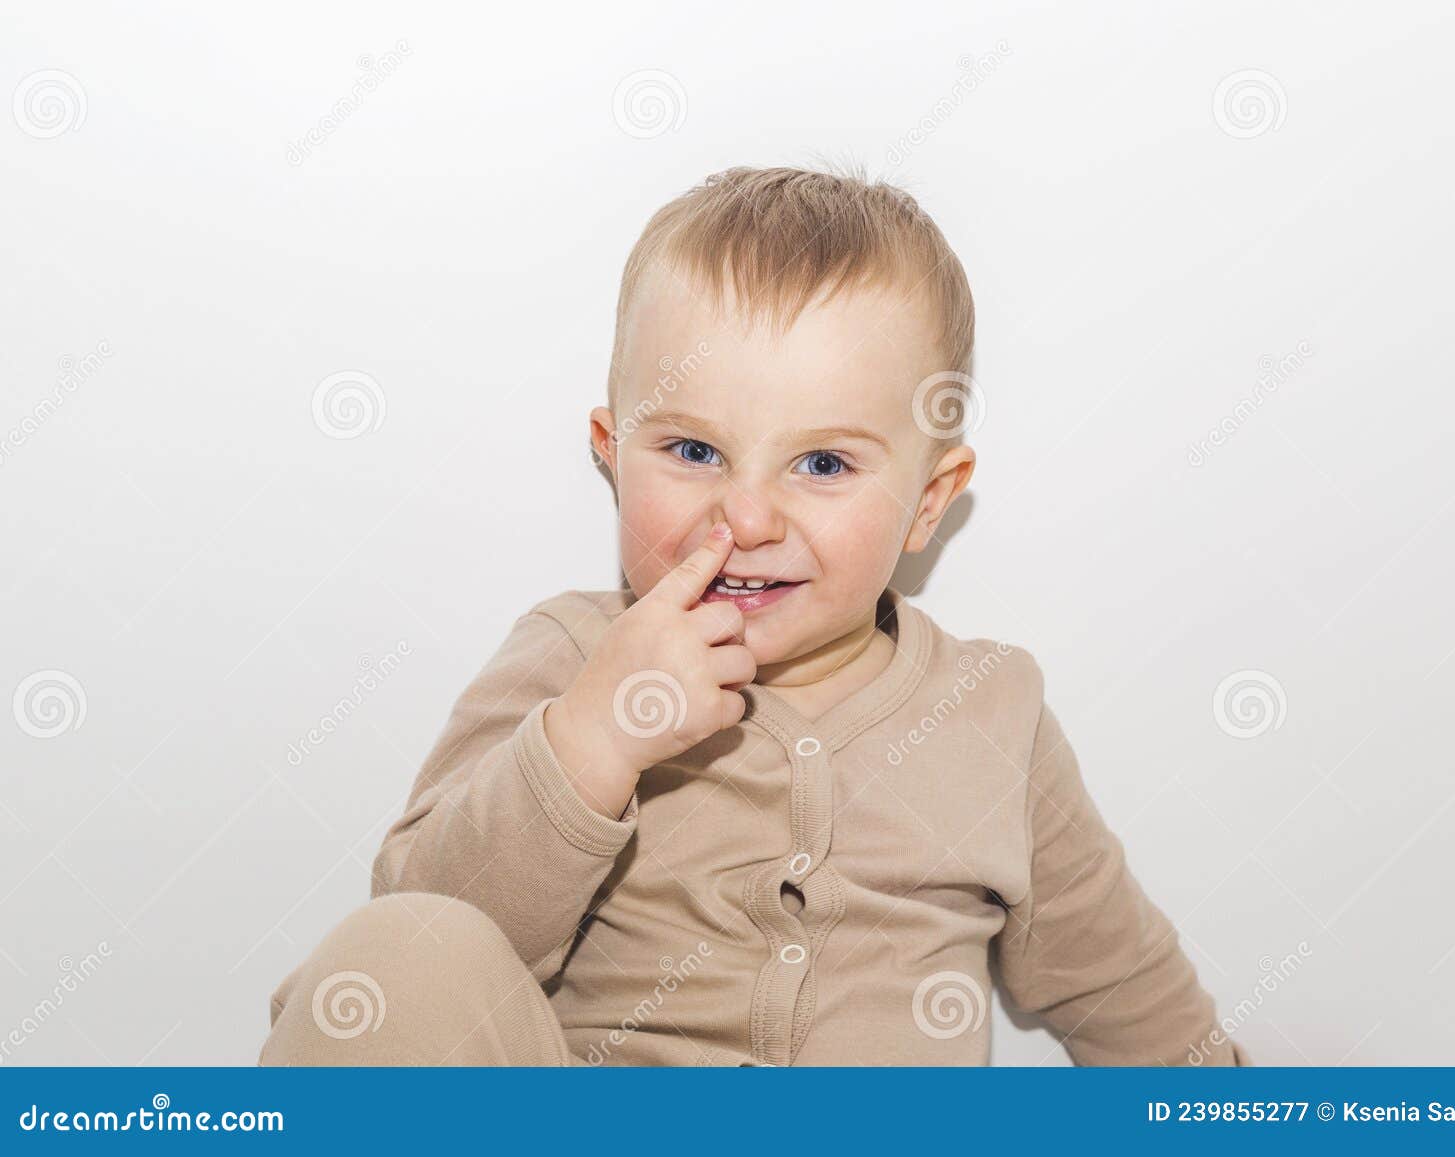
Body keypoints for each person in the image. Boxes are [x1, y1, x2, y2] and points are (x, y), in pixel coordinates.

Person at [259, 166, 1249, 1067]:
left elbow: (1121, 989)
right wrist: (589, 742)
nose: (744, 515)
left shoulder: (991, 710)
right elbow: (439, 942)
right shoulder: (571, 657)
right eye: (692, 451)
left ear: (930, 499)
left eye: (822, 464)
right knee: (390, 957)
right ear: (610, 449)